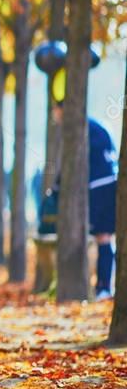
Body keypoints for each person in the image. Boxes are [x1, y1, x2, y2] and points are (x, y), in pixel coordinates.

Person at [50, 101, 118, 300]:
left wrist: (56, 188)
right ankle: (103, 287)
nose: (54, 115)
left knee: (103, 238)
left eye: (55, 110)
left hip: (99, 187)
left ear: (62, 109)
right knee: (104, 238)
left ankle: (104, 288)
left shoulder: (79, 128)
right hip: (108, 184)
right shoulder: (97, 126)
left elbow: (71, 162)